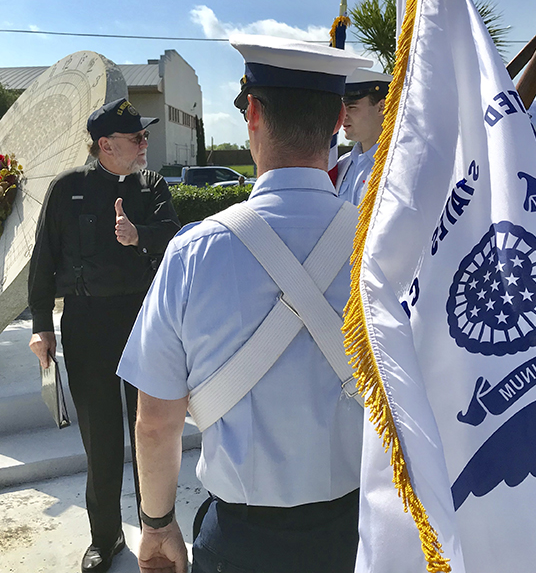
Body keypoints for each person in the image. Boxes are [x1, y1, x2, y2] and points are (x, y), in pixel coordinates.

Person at [117, 34, 372, 573]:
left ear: (252, 112)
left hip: (239, 543)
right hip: (361, 537)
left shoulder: (193, 253)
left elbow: (157, 421)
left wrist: (158, 525)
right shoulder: (382, 249)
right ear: (335, 121)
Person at [28, 97, 180, 573]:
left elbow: (175, 234)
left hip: (141, 321)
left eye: (144, 135)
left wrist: (141, 235)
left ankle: (153, 531)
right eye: (137, 137)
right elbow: (43, 260)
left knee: (148, 432)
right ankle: (105, 537)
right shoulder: (67, 189)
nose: (144, 144)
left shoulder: (151, 185)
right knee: (100, 437)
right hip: (86, 323)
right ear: (105, 145)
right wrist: (40, 326)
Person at [335, 69, 393, 205]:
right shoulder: (343, 164)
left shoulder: (399, 165)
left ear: (382, 107)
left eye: (352, 107)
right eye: (342, 108)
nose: (343, 115)